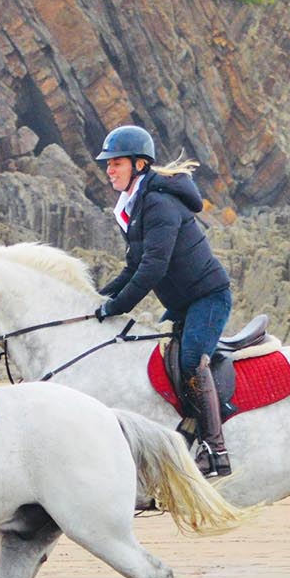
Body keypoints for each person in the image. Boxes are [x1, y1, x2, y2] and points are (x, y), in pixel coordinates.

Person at [92, 125, 234, 477]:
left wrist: (117, 307)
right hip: (185, 304)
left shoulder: (157, 204)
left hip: (209, 297)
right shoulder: (133, 206)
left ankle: (216, 450)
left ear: (139, 165)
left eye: (116, 163)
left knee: (190, 361)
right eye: (107, 164)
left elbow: (154, 268)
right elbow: (132, 268)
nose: (109, 170)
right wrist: (97, 300)